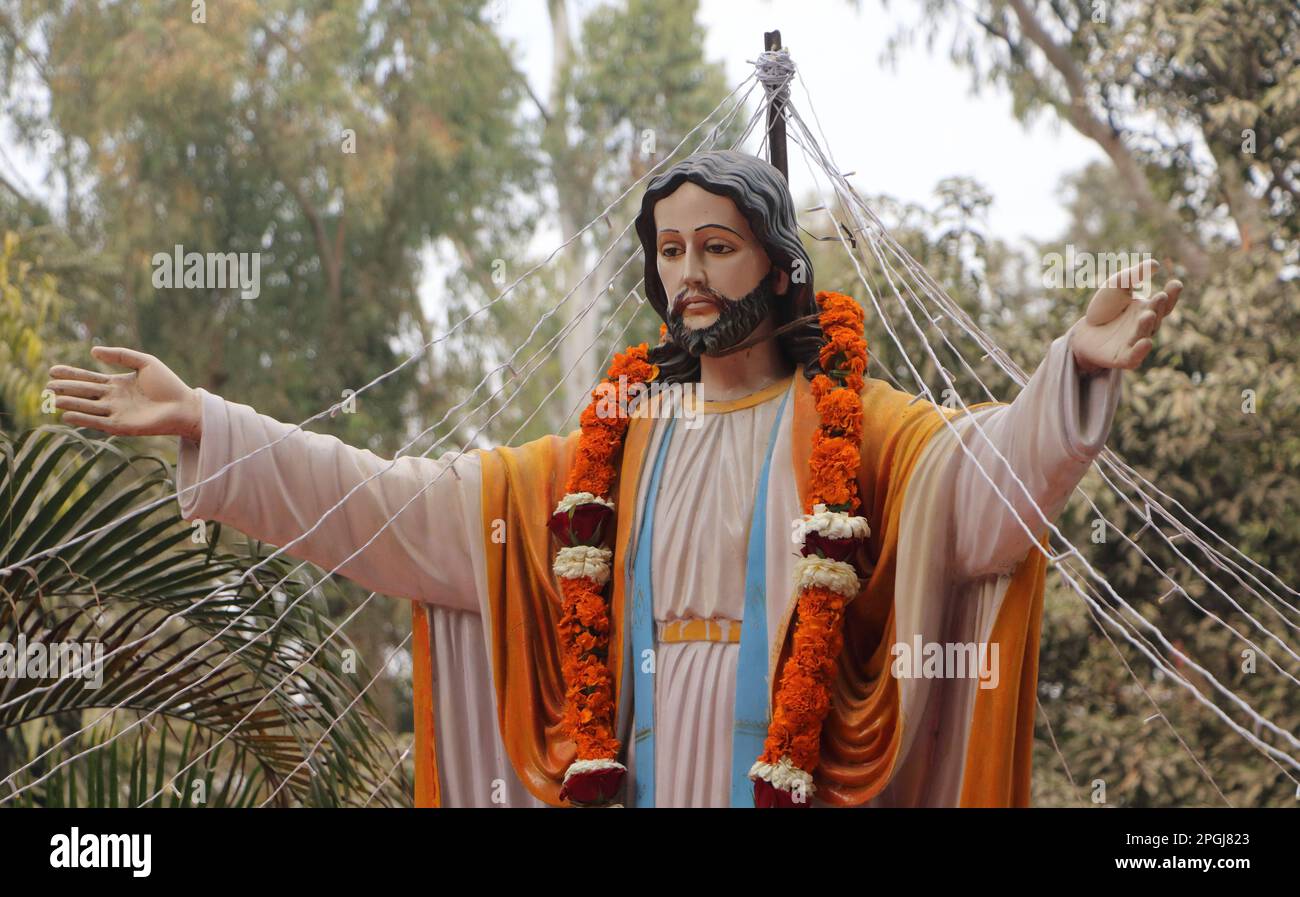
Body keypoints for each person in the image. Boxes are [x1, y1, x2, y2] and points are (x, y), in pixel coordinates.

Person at [45, 150, 1182, 807]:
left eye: (716, 246)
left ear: (779, 267)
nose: (687, 274)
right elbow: (389, 505)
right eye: (670, 250)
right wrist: (213, 423)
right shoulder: (606, 450)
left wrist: (1067, 375)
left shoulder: (863, 435)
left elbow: (979, 502)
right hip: (629, 767)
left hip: (790, 772)